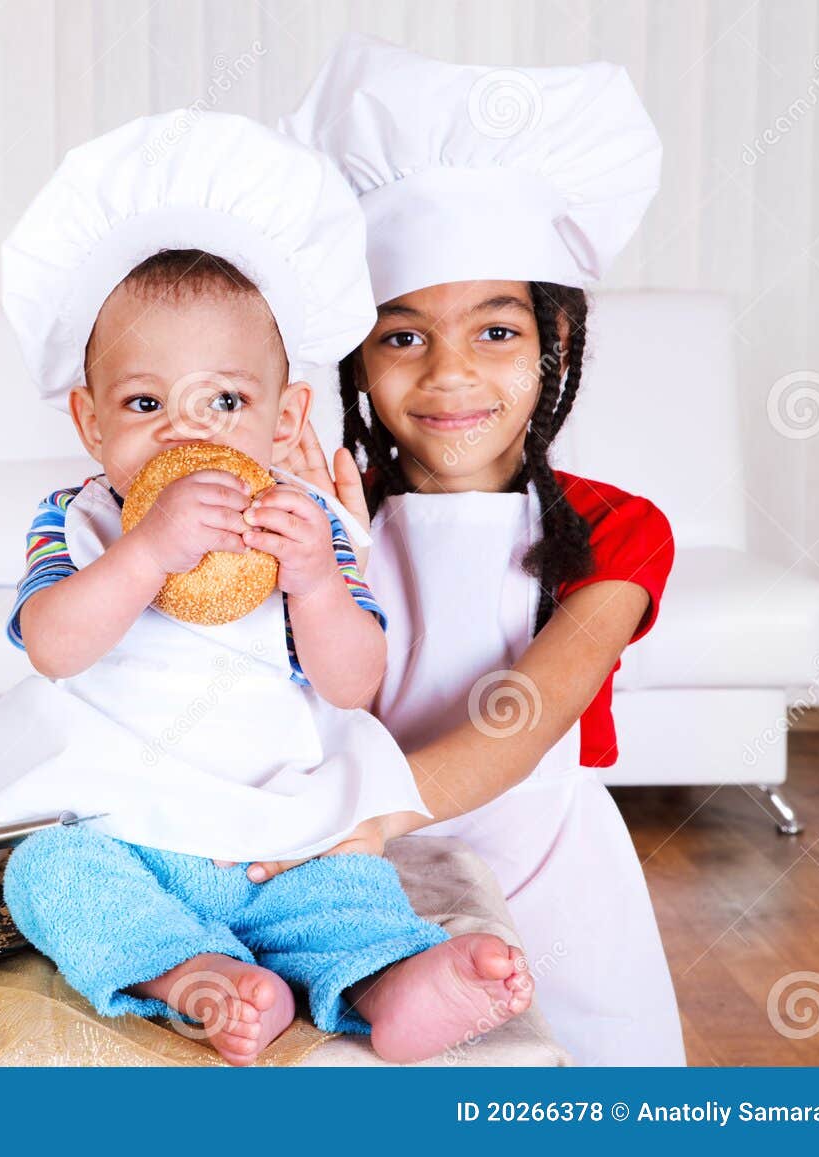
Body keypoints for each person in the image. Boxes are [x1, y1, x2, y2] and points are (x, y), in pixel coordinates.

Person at [0, 111, 533, 1066]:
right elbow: (52, 647)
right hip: (128, 835)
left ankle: (397, 980)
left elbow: (356, 683)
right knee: (45, 876)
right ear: (89, 420)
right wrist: (143, 554)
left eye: (225, 401)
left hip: (283, 835)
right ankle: (190, 972)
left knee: (352, 892)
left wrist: (317, 579)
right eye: (144, 404)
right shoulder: (77, 520)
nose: (184, 431)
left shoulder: (303, 525)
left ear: (286, 422)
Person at [277, 34, 684, 1065]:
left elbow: (526, 713)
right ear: (357, 361)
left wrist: (363, 820)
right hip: (350, 881)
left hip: (544, 872)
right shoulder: (328, 505)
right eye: (402, 335)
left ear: (553, 342)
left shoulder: (616, 530)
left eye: (495, 332)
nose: (448, 374)